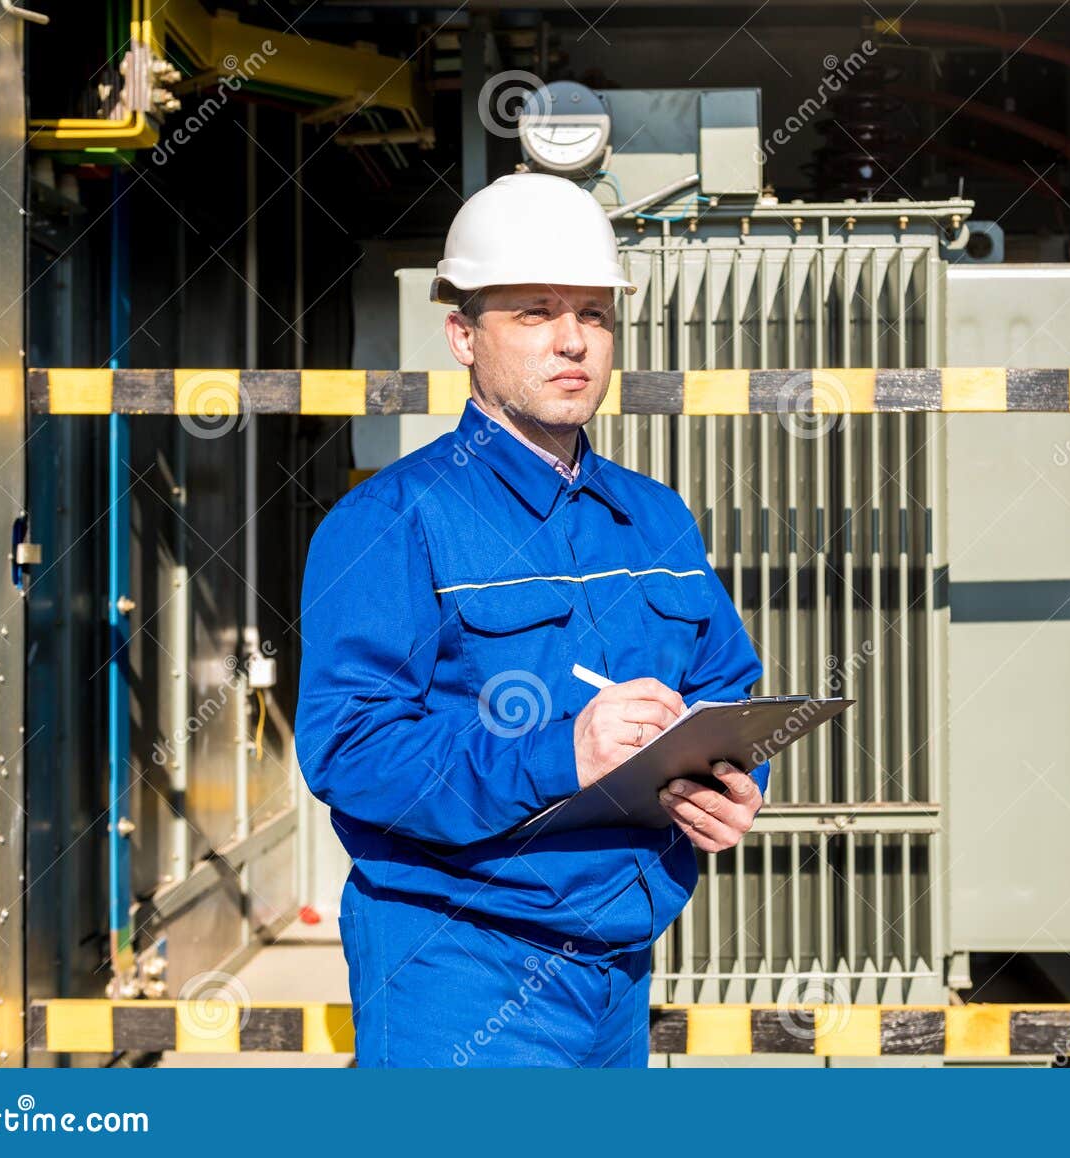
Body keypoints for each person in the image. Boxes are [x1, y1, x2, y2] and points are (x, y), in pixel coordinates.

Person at [296, 172, 769, 1068]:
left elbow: (722, 685)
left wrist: (734, 780)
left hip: (621, 961)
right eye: (534, 313)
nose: (573, 342)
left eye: (593, 313)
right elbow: (349, 750)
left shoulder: (654, 515)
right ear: (462, 335)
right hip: (455, 962)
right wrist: (562, 753)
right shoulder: (393, 519)